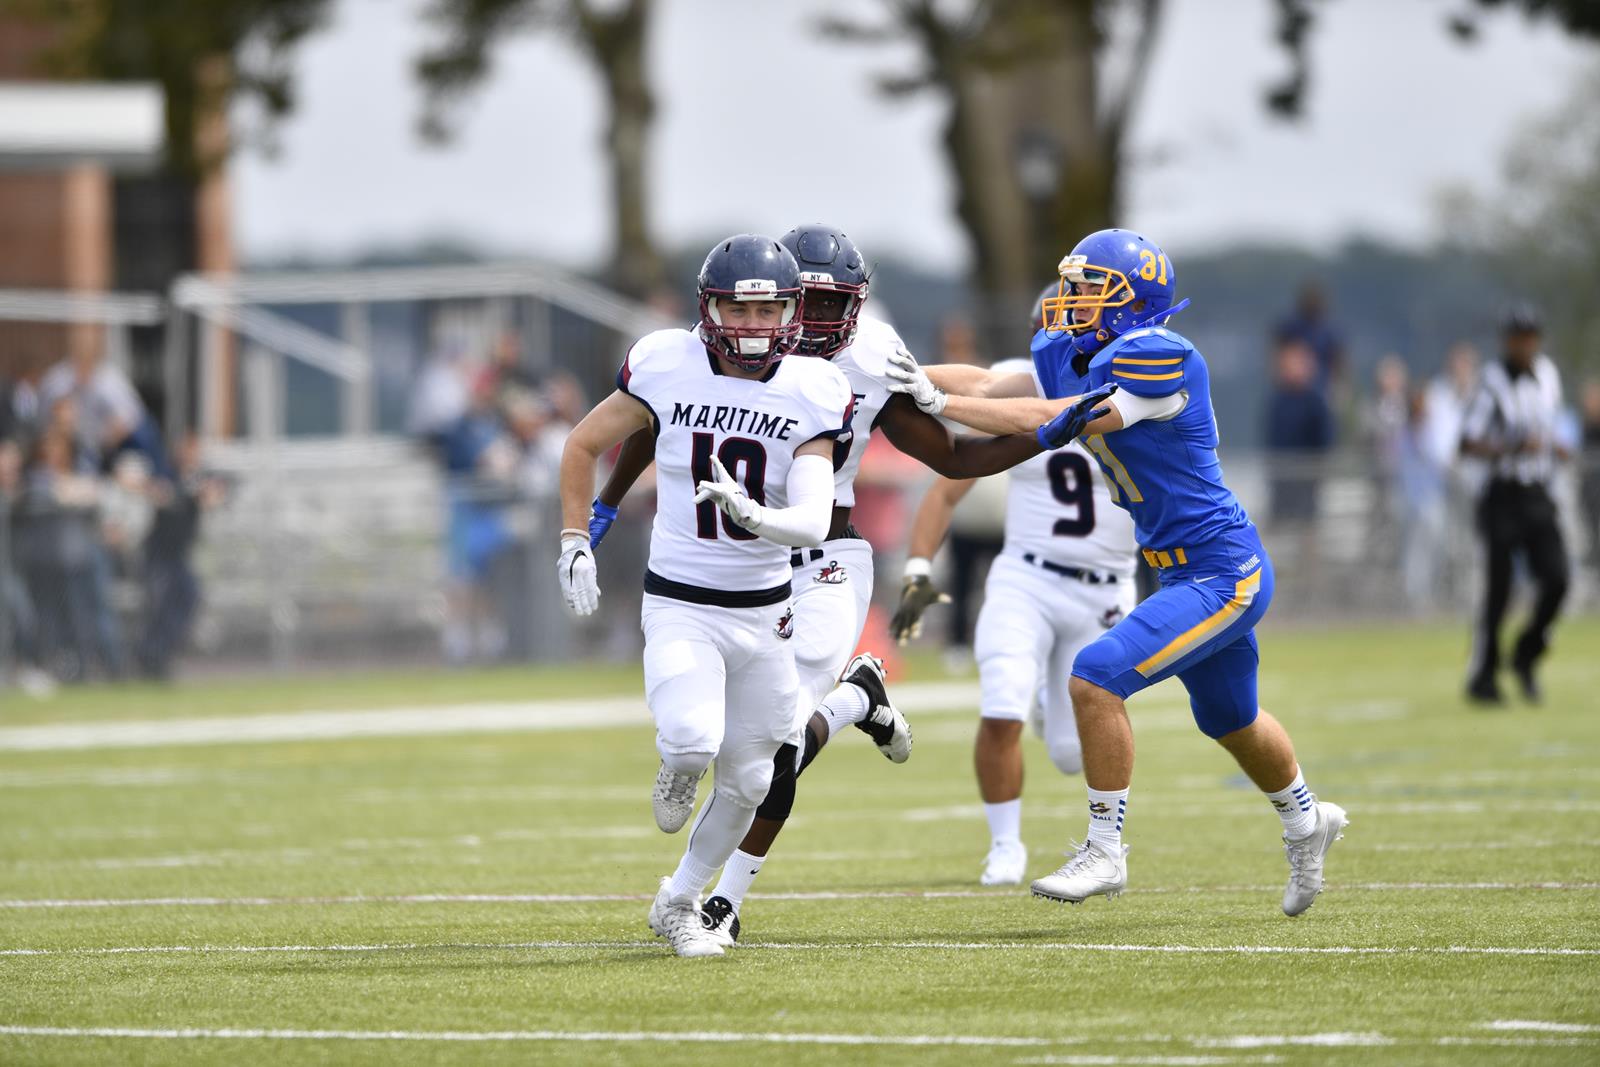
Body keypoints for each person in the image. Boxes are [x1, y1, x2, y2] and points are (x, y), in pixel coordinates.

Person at [587, 225, 1045, 944]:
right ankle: (858, 694)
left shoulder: (864, 359)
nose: (822, 323)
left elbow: (953, 454)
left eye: (837, 306)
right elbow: (653, 423)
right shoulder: (714, 345)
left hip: (826, 548)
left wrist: (1051, 429)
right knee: (740, 740)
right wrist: (608, 501)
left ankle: (723, 898)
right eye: (813, 303)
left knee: (774, 750)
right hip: (732, 567)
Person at [886, 228, 1348, 916]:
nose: (1071, 301)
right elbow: (988, 381)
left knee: (1095, 674)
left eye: (1089, 289)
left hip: (1224, 571)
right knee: (1232, 718)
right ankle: (1308, 820)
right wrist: (903, 378)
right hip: (1176, 571)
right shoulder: (1080, 351)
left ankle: (1105, 849)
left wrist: (938, 403)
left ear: (1133, 302)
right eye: (1072, 286)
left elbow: (1049, 415)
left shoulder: (1161, 356)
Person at [557, 233, 862, 957]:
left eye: (771, 311)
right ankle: (679, 758)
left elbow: (816, 517)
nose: (755, 327)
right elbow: (580, 444)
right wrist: (574, 539)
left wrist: (761, 518)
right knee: (694, 740)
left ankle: (679, 902)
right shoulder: (666, 361)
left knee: (755, 776)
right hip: (682, 601)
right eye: (739, 309)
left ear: (792, 311)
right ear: (710, 307)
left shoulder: (815, 386)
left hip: (766, 611)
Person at [891, 283, 1137, 885]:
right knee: (1001, 705)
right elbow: (949, 478)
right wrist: (919, 567)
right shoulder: (1019, 379)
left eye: (1077, 319)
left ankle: (1058, 716)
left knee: (1069, 752)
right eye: (1056, 322)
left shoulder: (1140, 382)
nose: (1067, 333)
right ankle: (1005, 844)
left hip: (1104, 589)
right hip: (1025, 576)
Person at [1459, 304, 1571, 704]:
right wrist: (1509, 446)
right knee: (1500, 590)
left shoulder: (1548, 377)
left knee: (1558, 578)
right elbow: (1467, 442)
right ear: (1507, 342)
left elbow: (1547, 427)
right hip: (1502, 494)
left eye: (1531, 338)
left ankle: (1526, 653)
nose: (1525, 346)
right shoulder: (1491, 382)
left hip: (1538, 492)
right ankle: (1484, 675)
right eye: (1518, 339)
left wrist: (1555, 448)